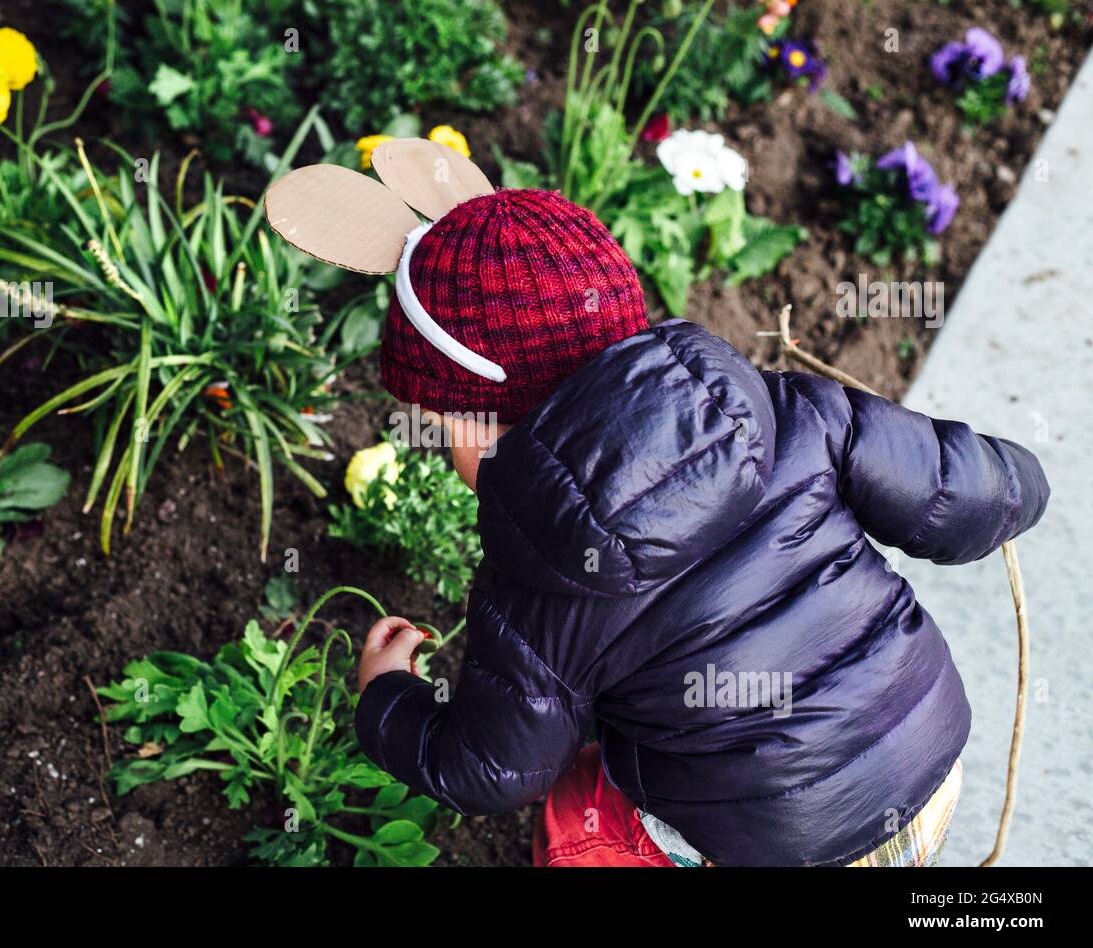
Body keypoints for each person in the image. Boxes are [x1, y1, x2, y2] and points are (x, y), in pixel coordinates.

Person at [351, 188, 1049, 867]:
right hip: (929, 769)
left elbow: (490, 768)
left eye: (443, 430)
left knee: (573, 816)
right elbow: (975, 494)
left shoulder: (535, 583)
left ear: (480, 430)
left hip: (780, 848)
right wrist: (1019, 485)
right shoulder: (792, 409)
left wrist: (386, 697)